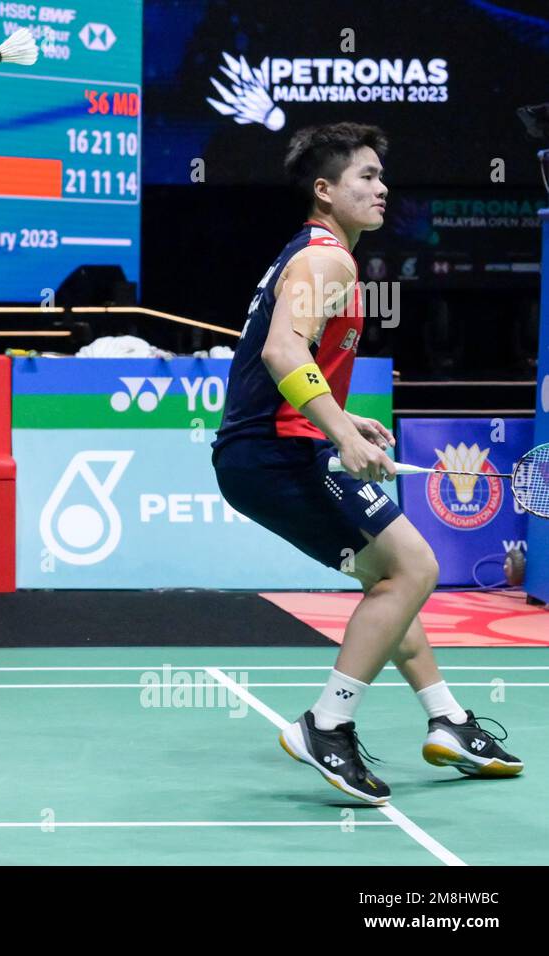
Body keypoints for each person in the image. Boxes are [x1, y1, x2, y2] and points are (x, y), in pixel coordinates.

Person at [212, 122, 522, 805]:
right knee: (416, 567)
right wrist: (342, 440)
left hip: (272, 449)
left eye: (382, 177)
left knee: (393, 582)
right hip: (277, 454)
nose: (382, 189)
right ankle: (327, 723)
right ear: (324, 191)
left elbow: (283, 363)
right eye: (366, 177)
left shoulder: (319, 256)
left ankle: (448, 720)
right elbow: (282, 354)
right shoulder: (327, 260)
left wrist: (343, 420)